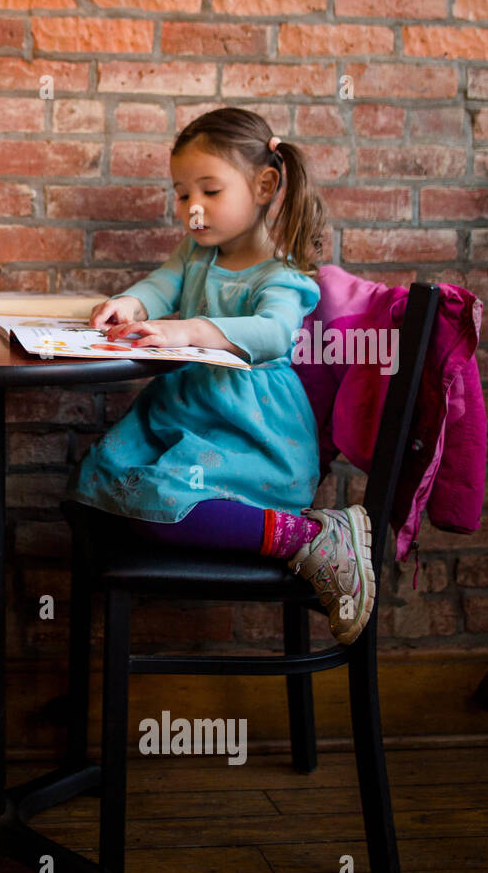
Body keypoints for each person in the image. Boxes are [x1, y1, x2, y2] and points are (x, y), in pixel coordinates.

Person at [68, 106, 375, 645]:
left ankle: (310, 537)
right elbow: (157, 287)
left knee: (155, 507)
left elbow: (274, 333)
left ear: (264, 185)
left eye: (210, 191)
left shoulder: (283, 273)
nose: (193, 208)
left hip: (249, 429)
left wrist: (190, 330)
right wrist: (128, 304)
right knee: (96, 491)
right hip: (185, 417)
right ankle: (257, 530)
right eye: (182, 193)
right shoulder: (194, 255)